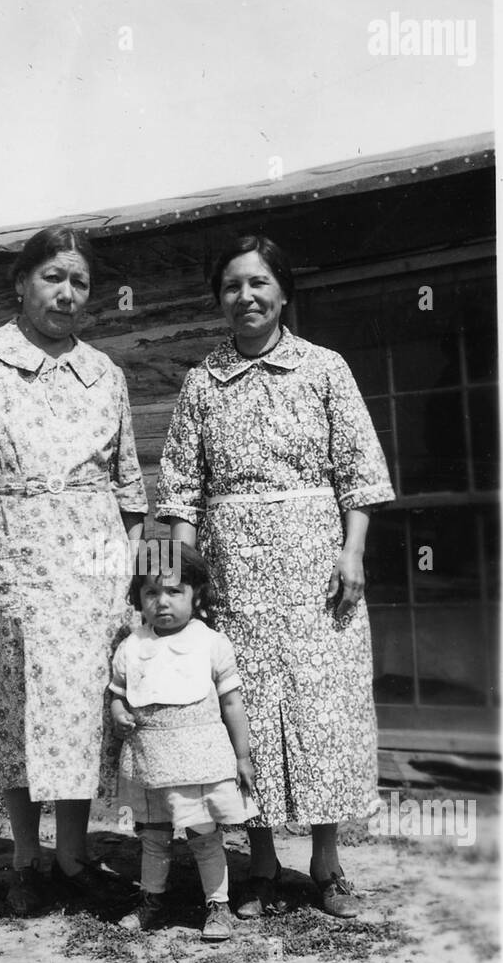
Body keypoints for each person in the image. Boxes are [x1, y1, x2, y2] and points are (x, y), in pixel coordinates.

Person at [155, 235, 394, 919]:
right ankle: (260, 864)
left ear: (283, 292)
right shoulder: (203, 382)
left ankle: (326, 863)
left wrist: (352, 552)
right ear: (219, 299)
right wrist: (189, 583)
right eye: (232, 286)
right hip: (235, 574)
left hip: (317, 570)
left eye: (258, 283)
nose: (246, 297)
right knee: (246, 711)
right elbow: (181, 494)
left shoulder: (325, 368)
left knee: (325, 710)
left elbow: (359, 473)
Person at [0, 225, 147, 915]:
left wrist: (132, 579)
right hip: (7, 559)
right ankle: (25, 856)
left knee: (82, 705)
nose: (67, 292)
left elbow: (129, 491)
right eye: (53, 277)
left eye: (80, 281)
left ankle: (74, 855)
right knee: (12, 701)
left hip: (91, 563)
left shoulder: (104, 373)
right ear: (22, 283)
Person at [110, 543, 258, 941]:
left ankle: (218, 906)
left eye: (174, 591)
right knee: (153, 838)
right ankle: (151, 900)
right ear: (138, 598)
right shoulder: (132, 646)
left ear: (196, 595)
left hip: (198, 764)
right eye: (151, 592)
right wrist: (119, 713)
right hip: (150, 760)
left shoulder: (210, 643)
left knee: (204, 837)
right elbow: (118, 694)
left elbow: (232, 703)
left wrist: (242, 757)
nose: (162, 602)